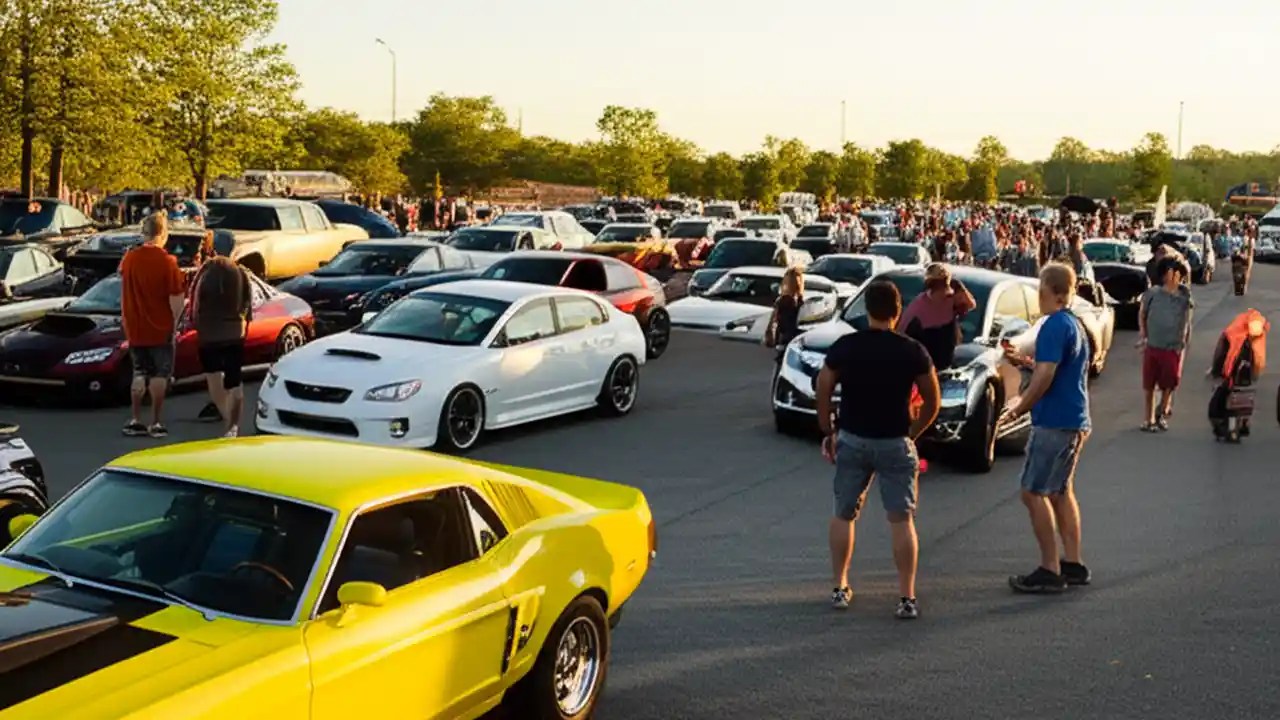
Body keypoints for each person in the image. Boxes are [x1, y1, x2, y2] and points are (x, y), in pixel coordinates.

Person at [815, 280, 941, 619]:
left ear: (867, 309)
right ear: (897, 311)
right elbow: (933, 399)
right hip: (895, 440)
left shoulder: (846, 346)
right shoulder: (913, 351)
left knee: (844, 513)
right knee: (901, 520)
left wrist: (828, 428)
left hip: (853, 438)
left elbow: (823, 385)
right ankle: (906, 596)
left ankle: (840, 586)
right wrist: (914, 432)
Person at [999, 263, 1091, 593]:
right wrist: (1024, 362)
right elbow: (1054, 367)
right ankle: (1073, 562)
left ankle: (1049, 568)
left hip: (1054, 420)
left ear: (1048, 291)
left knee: (1032, 492)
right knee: (1060, 491)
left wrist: (1020, 406)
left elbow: (1046, 375)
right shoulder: (1074, 324)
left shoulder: (1053, 325)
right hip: (1075, 418)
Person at [120, 212, 185, 438]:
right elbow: (176, 299)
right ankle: (155, 422)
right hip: (160, 327)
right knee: (159, 374)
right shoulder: (168, 262)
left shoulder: (129, 259)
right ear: (163, 234)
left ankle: (136, 418)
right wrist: (175, 325)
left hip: (135, 327)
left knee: (139, 372)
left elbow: (123, 279)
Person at [191, 255, 254, 437]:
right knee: (234, 379)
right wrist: (245, 325)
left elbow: (195, 305)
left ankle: (227, 419)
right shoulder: (240, 273)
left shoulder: (205, 274)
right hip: (235, 332)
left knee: (214, 378)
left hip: (209, 334)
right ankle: (234, 425)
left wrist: (197, 326)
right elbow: (248, 305)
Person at [1137, 256, 1194, 431]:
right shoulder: (1153, 294)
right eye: (1170, 271)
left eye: (1176, 272)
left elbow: (1188, 319)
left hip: (1173, 347)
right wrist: (1144, 335)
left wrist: (1184, 342)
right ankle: (1148, 419)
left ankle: (1162, 411)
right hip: (1153, 345)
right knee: (1149, 385)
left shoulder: (1185, 296)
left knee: (1169, 383)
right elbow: (1142, 314)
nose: (1173, 275)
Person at [898, 263, 976, 370]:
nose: (945, 294)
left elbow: (970, 304)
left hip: (946, 367)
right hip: (924, 370)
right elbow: (900, 336)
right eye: (941, 288)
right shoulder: (918, 307)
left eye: (945, 286)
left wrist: (961, 290)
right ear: (932, 287)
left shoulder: (951, 301)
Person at [1207, 309, 1268, 440]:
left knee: (1245, 396)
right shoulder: (1233, 334)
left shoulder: (1258, 338)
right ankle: (1222, 423)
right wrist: (1219, 371)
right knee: (1221, 397)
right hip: (1229, 371)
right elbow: (1221, 354)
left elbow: (1259, 359)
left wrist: (1254, 373)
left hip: (1245, 375)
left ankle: (1244, 421)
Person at [764, 266, 804, 367]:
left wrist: (770, 335)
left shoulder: (784, 300)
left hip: (786, 339)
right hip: (792, 339)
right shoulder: (798, 301)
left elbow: (774, 320)